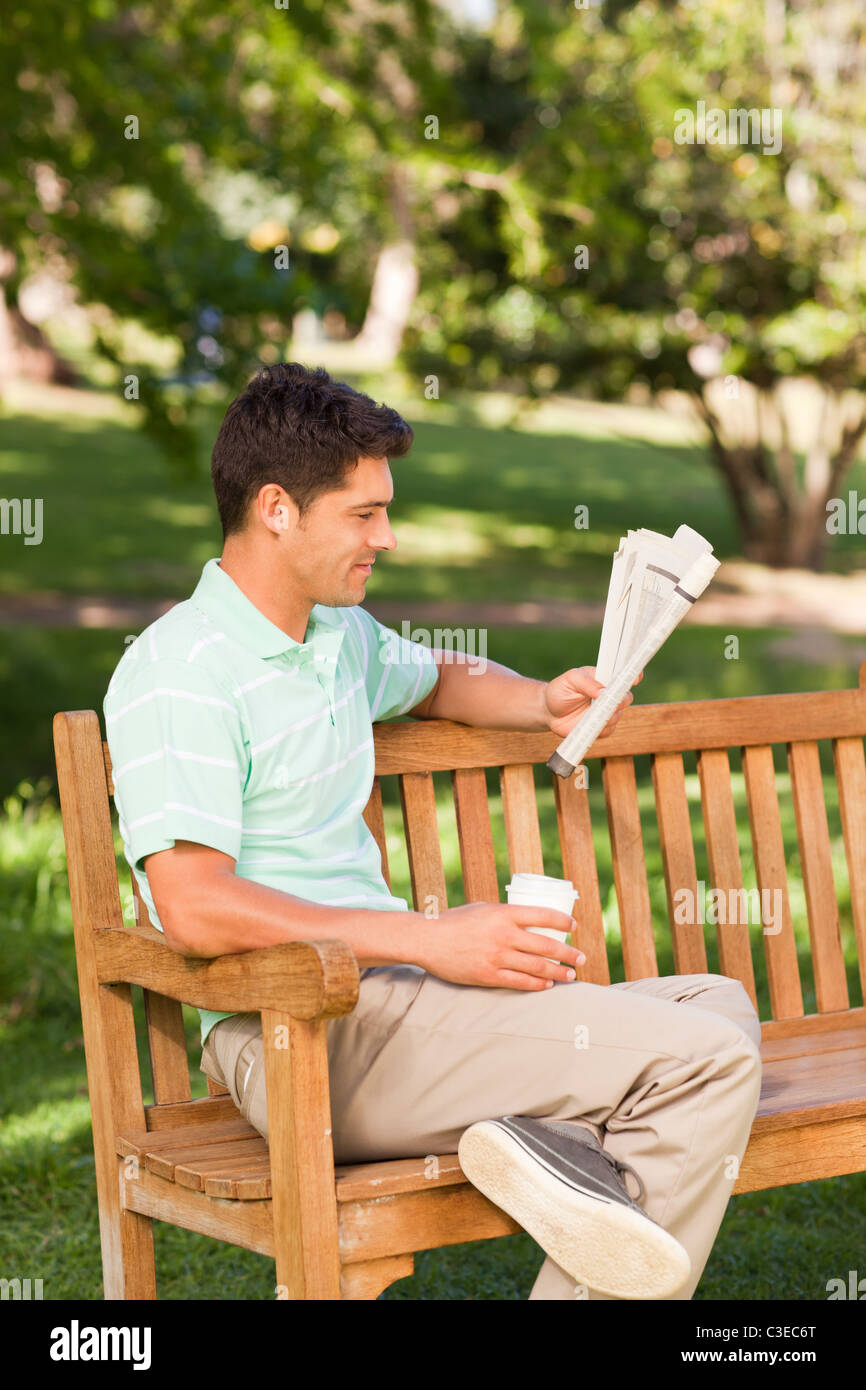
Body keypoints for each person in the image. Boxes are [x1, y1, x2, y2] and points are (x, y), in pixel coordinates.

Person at [103, 361, 763, 1301]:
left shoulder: (335, 635)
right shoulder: (181, 671)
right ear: (278, 507)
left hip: (393, 1005)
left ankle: (550, 1154)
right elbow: (195, 909)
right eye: (364, 515)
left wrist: (541, 698)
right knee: (704, 1062)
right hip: (300, 1034)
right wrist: (432, 941)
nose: (390, 538)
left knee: (720, 1009)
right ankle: (555, 1153)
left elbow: (441, 675)